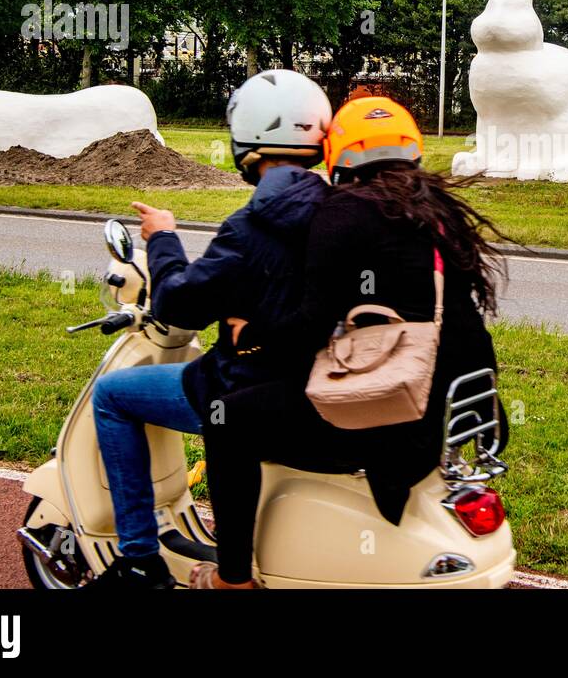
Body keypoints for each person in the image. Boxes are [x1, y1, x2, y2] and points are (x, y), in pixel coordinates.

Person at [194, 96, 509, 589]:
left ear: (338, 154)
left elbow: (310, 325)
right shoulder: (437, 210)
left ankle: (231, 579)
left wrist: (249, 335)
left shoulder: (344, 211)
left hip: (390, 417)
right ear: (412, 149)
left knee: (226, 419)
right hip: (447, 410)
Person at [88, 70, 332, 588]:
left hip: (247, 385)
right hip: (315, 386)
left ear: (248, 136)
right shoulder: (340, 211)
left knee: (112, 395)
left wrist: (162, 238)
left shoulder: (253, 223)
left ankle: (138, 560)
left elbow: (180, 305)